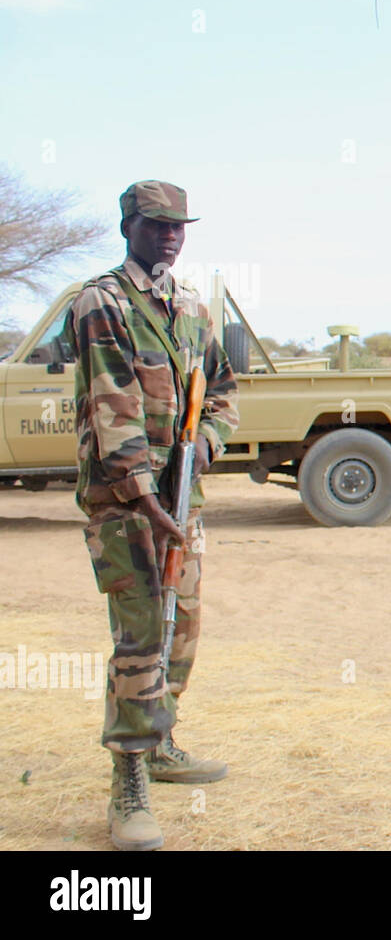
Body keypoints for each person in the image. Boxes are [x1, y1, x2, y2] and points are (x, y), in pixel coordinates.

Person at [66, 180, 239, 851]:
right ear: (127, 227)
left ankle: (161, 743)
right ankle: (129, 781)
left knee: (182, 627)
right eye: (155, 224)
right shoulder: (102, 301)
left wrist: (208, 442)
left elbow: (221, 391)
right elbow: (111, 403)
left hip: (180, 498)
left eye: (178, 226)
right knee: (142, 632)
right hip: (126, 502)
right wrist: (145, 495)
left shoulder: (191, 305)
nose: (169, 236)